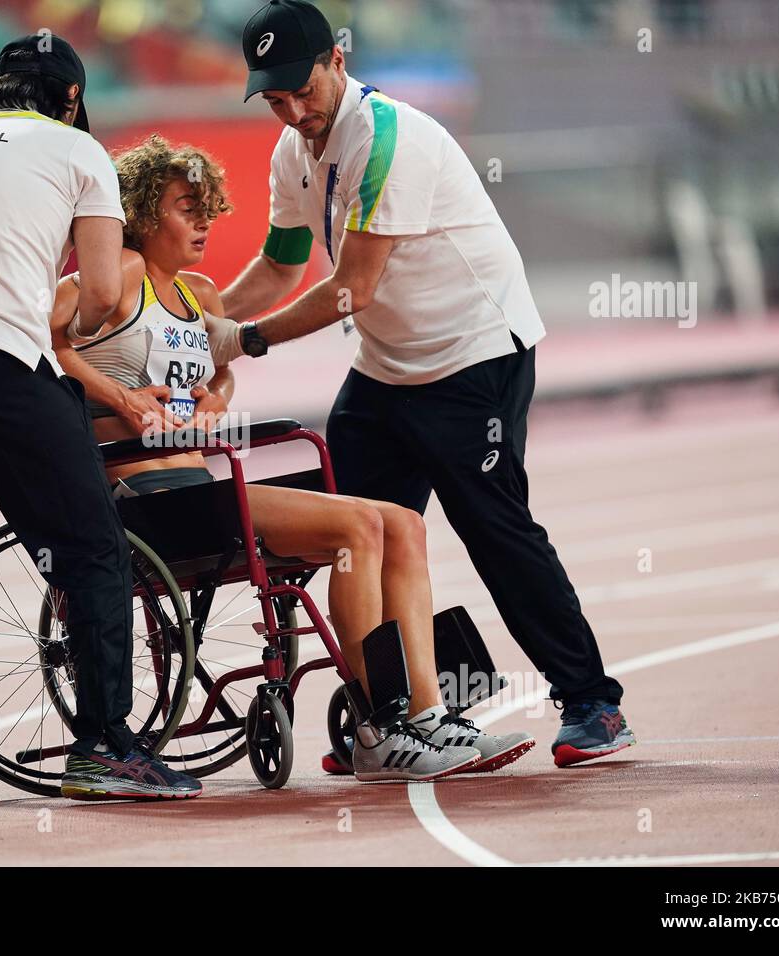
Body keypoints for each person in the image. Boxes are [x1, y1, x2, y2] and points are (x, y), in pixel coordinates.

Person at [221, 0, 635, 767]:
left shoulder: (389, 137)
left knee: (492, 528)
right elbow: (280, 266)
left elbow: (354, 287)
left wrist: (244, 339)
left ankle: (592, 704)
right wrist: (192, 319)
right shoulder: (292, 151)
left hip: (474, 352)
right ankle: (406, 716)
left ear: (337, 61)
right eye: (274, 97)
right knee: (363, 538)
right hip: (386, 367)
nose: (292, 108)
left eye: (302, 89)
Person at [50, 135, 535, 781]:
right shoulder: (118, 279)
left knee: (403, 523)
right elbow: (44, 350)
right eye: (184, 207)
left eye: (207, 207)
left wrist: (215, 402)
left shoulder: (201, 294)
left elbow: (218, 374)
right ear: (139, 213)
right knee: (360, 525)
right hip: (140, 496)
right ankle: (378, 727)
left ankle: (424, 714)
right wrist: (124, 400)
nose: (203, 221)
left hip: (197, 482)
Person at [0, 35, 202, 804]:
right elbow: (99, 301)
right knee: (91, 548)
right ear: (71, 100)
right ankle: (105, 748)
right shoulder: (80, 152)